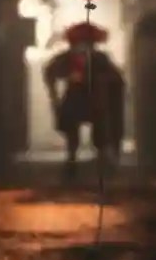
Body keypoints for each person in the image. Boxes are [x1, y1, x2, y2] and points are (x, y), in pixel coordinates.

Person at [44, 22, 125, 180]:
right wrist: (54, 98)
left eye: (87, 43)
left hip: (96, 99)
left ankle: (101, 156)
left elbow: (116, 78)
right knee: (71, 129)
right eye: (79, 43)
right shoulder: (66, 58)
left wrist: (103, 83)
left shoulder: (100, 59)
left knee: (101, 126)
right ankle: (72, 156)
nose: (83, 48)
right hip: (75, 99)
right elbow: (50, 72)